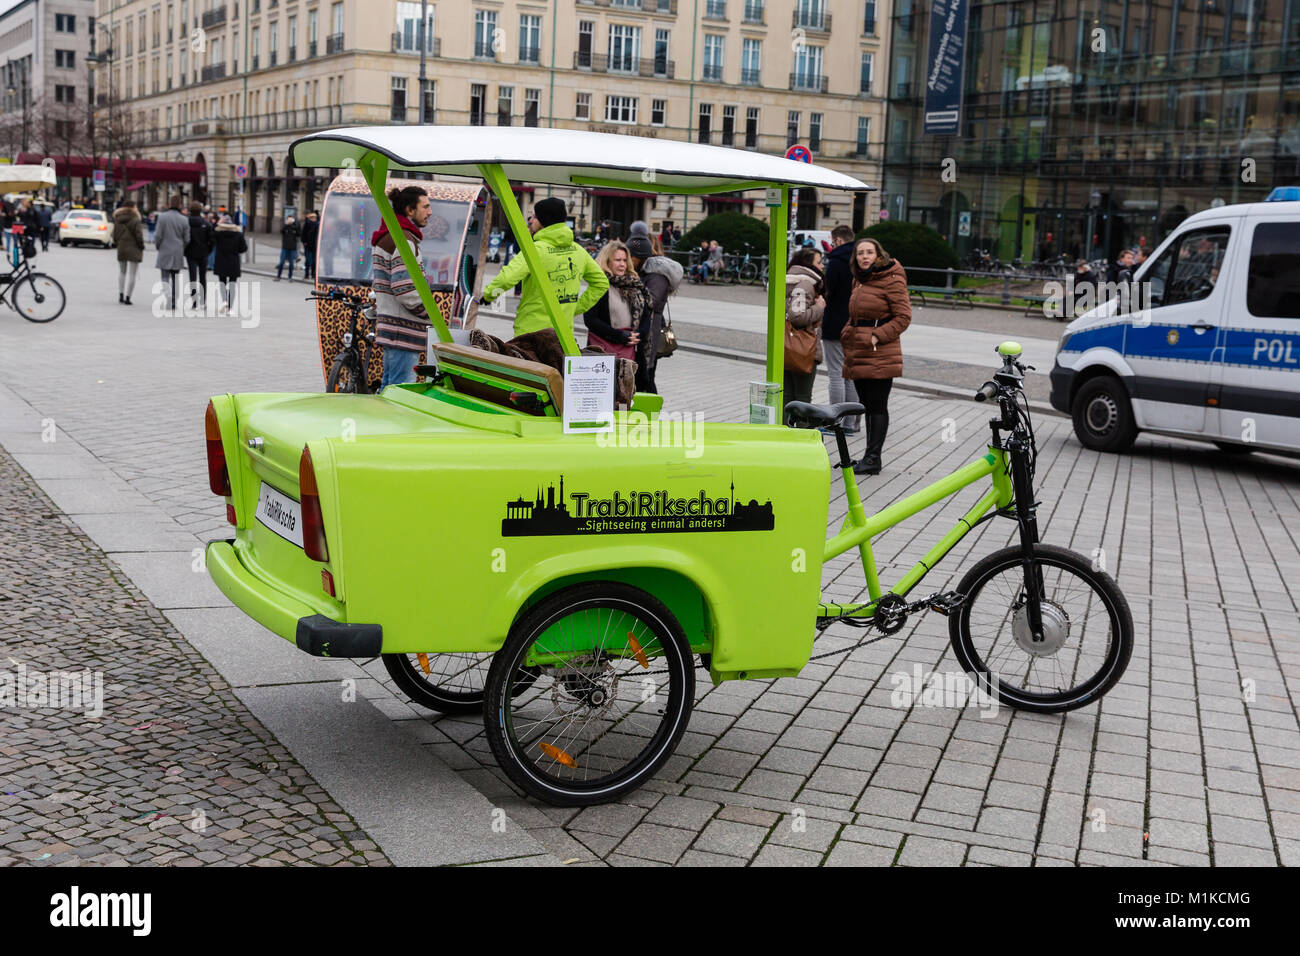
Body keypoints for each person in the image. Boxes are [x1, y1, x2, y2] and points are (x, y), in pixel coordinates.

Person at [481, 196, 608, 338]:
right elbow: (601, 283)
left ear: (543, 220)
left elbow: (506, 279)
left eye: (534, 216)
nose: (530, 220)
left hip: (531, 333)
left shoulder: (535, 250)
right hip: (563, 335)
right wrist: (575, 308)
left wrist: (488, 295)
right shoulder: (578, 251)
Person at [842, 238, 911, 476]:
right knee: (867, 405)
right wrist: (848, 332)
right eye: (860, 253)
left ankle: (873, 458)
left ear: (878, 255)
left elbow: (903, 317)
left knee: (877, 405)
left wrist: (877, 336)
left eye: (869, 252)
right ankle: (869, 457)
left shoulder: (891, 279)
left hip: (879, 351)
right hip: (859, 349)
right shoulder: (860, 279)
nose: (864, 256)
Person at [371, 185, 435, 387]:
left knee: (389, 388)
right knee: (400, 390)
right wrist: (429, 312)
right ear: (409, 210)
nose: (429, 212)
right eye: (425, 207)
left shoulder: (390, 235)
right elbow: (405, 289)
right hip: (402, 331)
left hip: (394, 329)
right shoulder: (403, 240)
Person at [625, 232, 683, 395]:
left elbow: (652, 301)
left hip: (650, 330)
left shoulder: (656, 275)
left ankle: (652, 408)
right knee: (641, 376)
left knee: (647, 377)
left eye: (630, 257)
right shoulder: (643, 271)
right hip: (644, 328)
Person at [820, 225, 859, 434]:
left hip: (835, 322)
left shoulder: (835, 261)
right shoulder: (860, 260)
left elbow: (829, 292)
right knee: (850, 375)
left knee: (836, 373)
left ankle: (834, 423)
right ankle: (850, 424)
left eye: (833, 242)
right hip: (856, 323)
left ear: (839, 241)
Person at [582, 240, 645, 362]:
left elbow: (646, 315)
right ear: (607, 261)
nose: (622, 264)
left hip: (631, 349)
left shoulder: (634, 284)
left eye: (625, 260)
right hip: (603, 350)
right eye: (618, 260)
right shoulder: (599, 286)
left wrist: (638, 334)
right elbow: (590, 320)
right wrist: (619, 335)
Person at [783, 246, 826, 420]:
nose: (822, 266)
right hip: (803, 350)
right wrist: (819, 307)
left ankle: (785, 429)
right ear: (809, 264)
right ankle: (800, 432)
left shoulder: (788, 281)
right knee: (802, 399)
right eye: (819, 262)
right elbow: (797, 316)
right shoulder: (805, 284)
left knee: (787, 397)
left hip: (786, 347)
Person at [153, 194, 190, 312]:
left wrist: (158, 246)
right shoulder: (184, 219)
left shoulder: (162, 217)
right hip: (177, 251)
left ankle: (167, 296)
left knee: (164, 276)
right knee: (175, 277)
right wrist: (182, 246)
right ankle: (174, 300)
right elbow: (187, 238)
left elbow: (158, 235)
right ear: (180, 205)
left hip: (165, 249)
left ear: (169, 204)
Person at [212, 213, 247, 314]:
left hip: (221, 261)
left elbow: (210, 235)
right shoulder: (238, 235)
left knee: (222, 282)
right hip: (233, 262)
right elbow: (243, 248)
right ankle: (230, 308)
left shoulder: (218, 234)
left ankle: (224, 301)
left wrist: (216, 224)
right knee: (232, 284)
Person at [112, 200, 145, 305]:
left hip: (122, 247)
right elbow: (139, 235)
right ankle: (128, 297)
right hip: (134, 248)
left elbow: (114, 234)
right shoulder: (136, 219)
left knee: (122, 272)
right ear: (133, 207)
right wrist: (141, 246)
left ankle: (121, 294)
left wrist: (118, 243)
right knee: (132, 274)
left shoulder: (117, 218)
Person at [184, 202, 213, 309]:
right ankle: (203, 301)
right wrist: (208, 251)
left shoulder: (186, 222)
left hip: (190, 253)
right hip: (203, 253)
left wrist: (185, 251)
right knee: (202, 277)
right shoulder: (206, 223)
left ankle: (194, 302)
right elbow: (212, 240)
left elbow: (184, 238)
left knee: (192, 277)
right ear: (201, 210)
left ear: (190, 210)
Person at [276, 215, 300, 281]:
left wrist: (295, 224)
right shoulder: (285, 227)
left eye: (291, 219)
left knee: (291, 264)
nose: (290, 221)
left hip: (292, 248)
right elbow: (281, 231)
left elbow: (299, 233)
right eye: (288, 219)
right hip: (285, 247)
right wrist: (286, 224)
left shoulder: (295, 227)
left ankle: (290, 277)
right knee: (281, 262)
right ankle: (278, 276)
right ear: (286, 220)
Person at [299, 211, 319, 280]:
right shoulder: (307, 224)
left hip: (314, 245)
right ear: (310, 218)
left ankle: (313, 274)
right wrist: (304, 242)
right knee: (307, 260)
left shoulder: (317, 225)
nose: (314, 219)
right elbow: (303, 234)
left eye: (315, 217)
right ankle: (306, 274)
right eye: (312, 217)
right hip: (307, 245)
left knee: (314, 261)